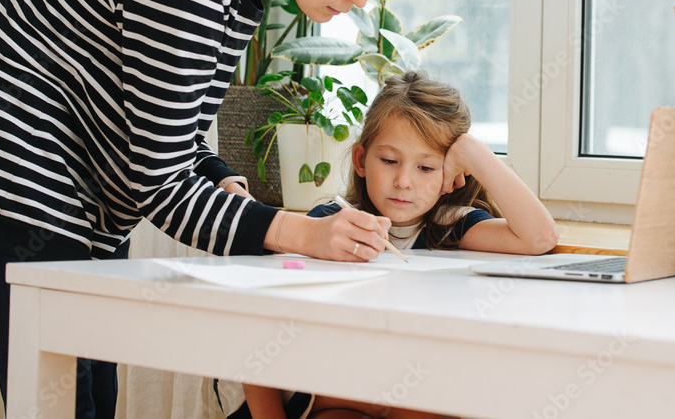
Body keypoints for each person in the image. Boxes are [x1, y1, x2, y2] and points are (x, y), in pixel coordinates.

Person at [0, 0, 414, 418]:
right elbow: (157, 182)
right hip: (12, 179)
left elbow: (165, 120)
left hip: (82, 183)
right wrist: (300, 231)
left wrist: (217, 172)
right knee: (65, 403)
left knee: (92, 396)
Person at [240, 71, 560, 419]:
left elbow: (539, 238)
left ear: (452, 174)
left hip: (421, 395)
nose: (404, 181)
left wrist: (472, 151)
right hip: (338, 399)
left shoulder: (450, 226)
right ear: (361, 160)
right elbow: (255, 321)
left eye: (426, 167)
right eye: (389, 161)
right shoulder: (328, 225)